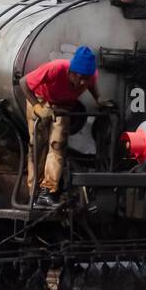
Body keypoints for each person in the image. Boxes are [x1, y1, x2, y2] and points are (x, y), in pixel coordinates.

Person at [20, 46, 101, 207]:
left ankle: (47, 192)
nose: (83, 82)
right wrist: (37, 107)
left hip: (63, 106)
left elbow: (91, 85)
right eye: (80, 77)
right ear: (71, 71)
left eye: (87, 77)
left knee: (57, 146)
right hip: (41, 99)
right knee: (38, 146)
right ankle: (34, 192)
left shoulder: (90, 76)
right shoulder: (55, 68)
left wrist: (99, 99)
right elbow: (24, 83)